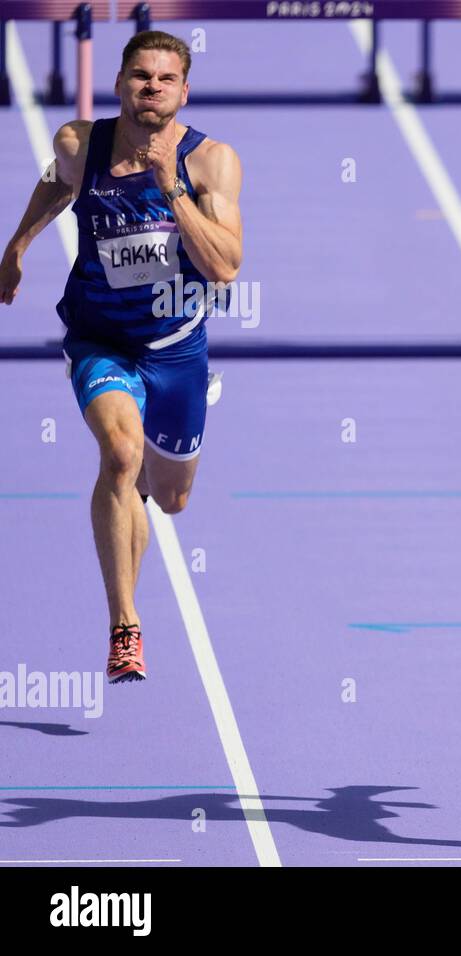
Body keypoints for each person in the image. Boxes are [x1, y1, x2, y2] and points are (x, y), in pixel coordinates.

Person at [0, 31, 244, 683]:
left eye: (166, 79)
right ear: (119, 83)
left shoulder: (211, 163)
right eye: (140, 75)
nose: (151, 88)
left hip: (175, 350)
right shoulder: (82, 146)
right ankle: (125, 627)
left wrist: (172, 194)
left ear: (184, 91)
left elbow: (223, 267)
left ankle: (141, 472)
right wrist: (18, 244)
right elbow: (57, 184)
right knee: (120, 455)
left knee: (171, 500)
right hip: (99, 339)